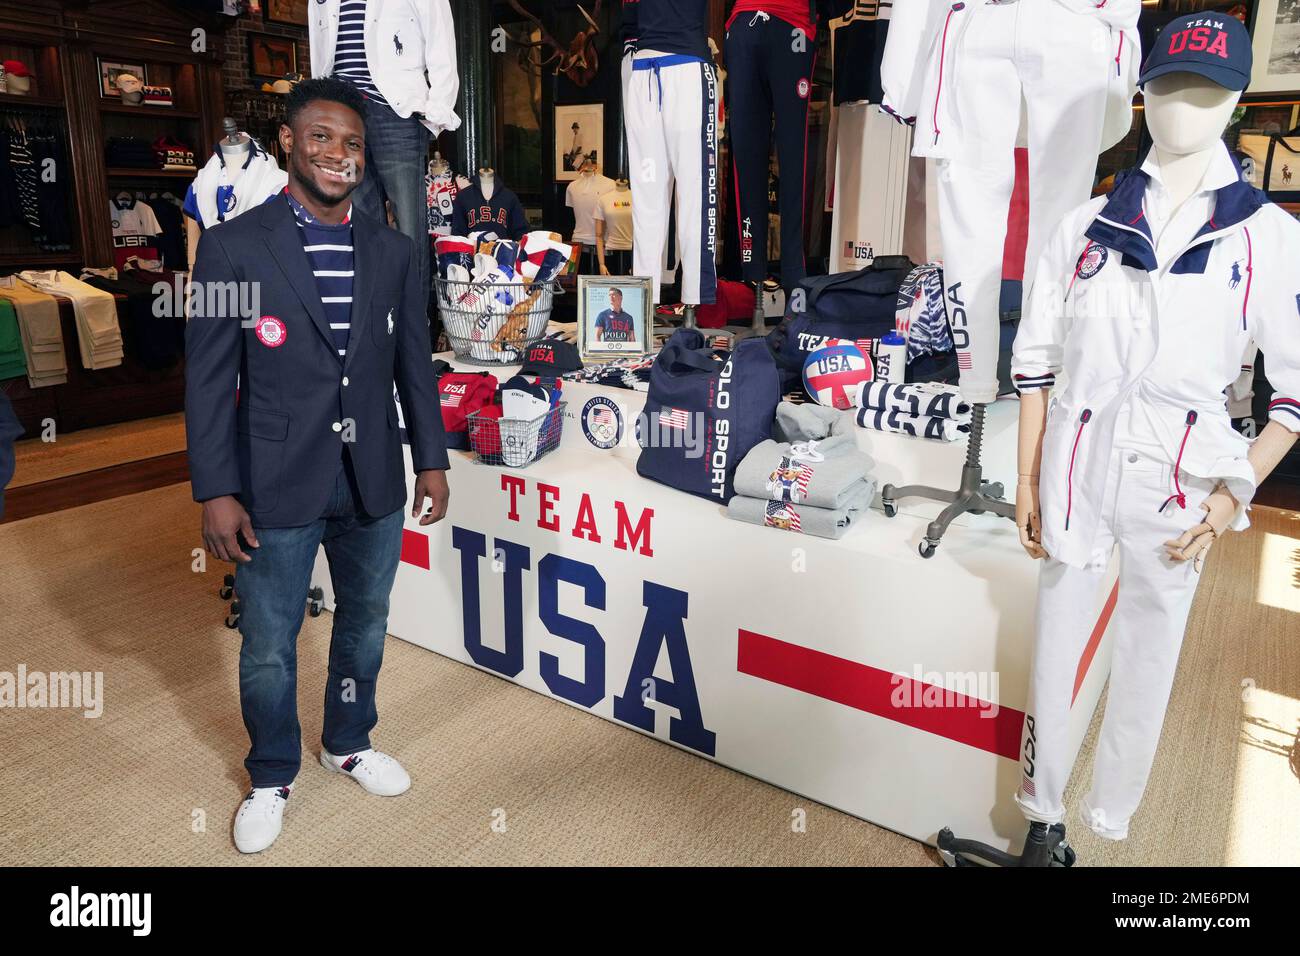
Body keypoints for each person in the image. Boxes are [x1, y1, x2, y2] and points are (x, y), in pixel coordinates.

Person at [185, 77, 450, 855]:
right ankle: (270, 774)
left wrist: (429, 461)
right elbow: (206, 378)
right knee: (269, 640)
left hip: (371, 475)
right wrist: (216, 488)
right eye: (324, 138)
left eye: (355, 144)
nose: (341, 155)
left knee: (365, 624)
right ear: (290, 144)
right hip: (273, 479)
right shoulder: (233, 246)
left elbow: (413, 365)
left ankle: (347, 740)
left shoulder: (395, 250)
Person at [309, 0, 460, 308]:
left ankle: (414, 327)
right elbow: (319, 41)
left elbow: (441, 39)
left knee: (409, 226)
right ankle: (376, 324)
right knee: (359, 222)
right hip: (342, 117)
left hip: (396, 112)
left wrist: (435, 110)